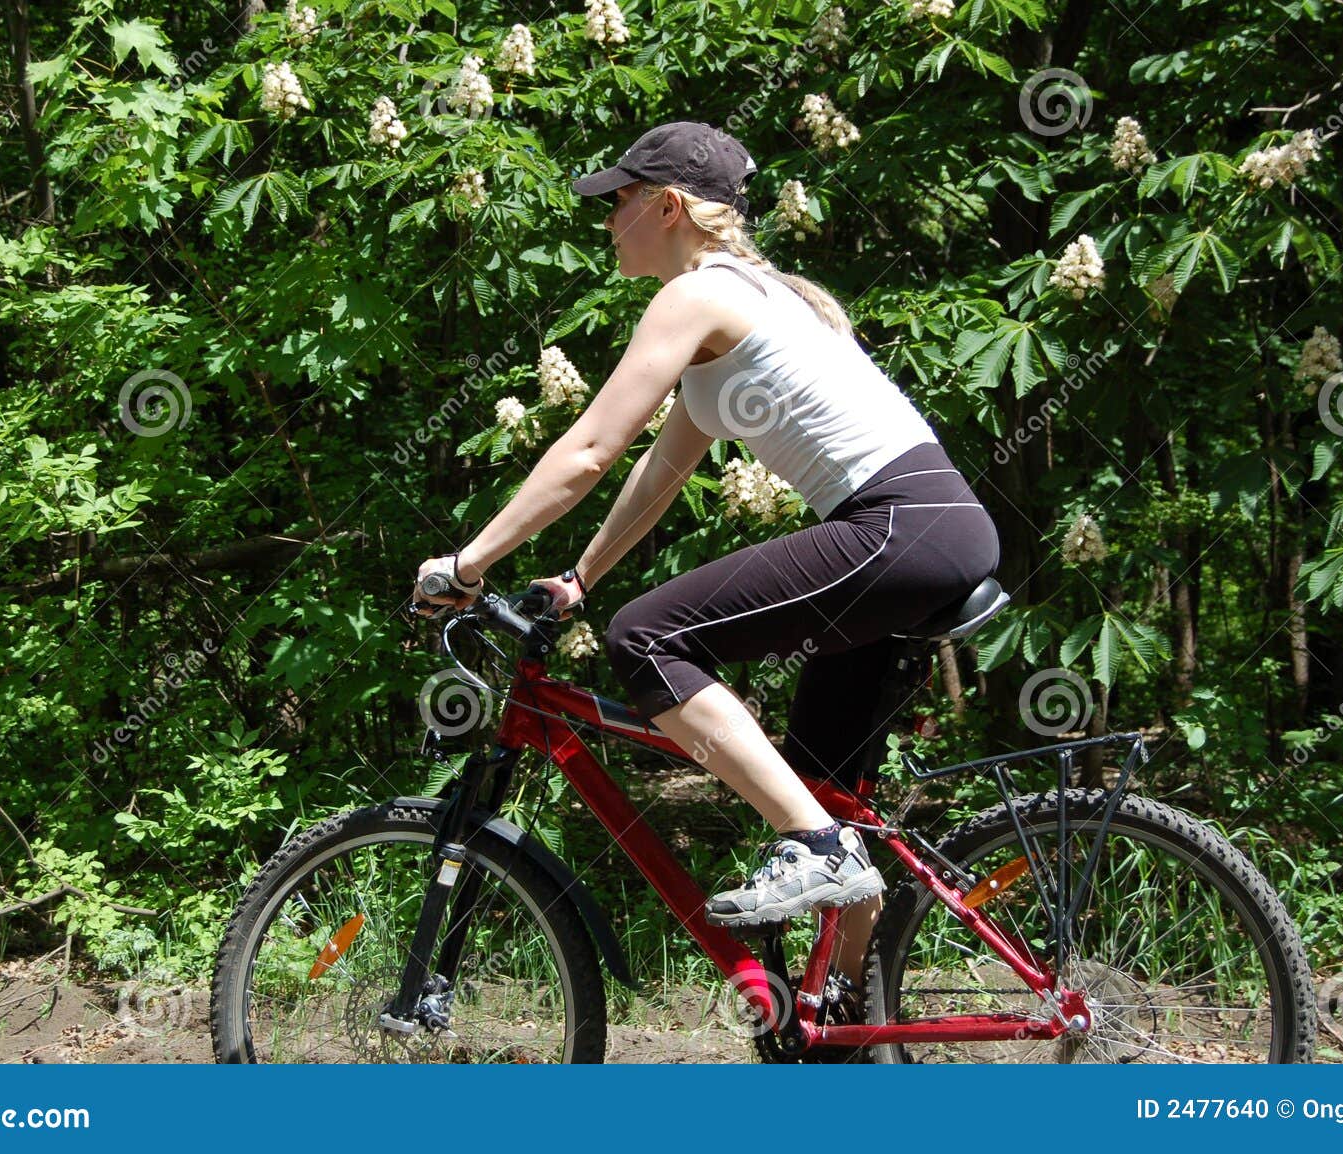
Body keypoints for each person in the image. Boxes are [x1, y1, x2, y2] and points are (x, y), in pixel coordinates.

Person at [413, 121, 999, 982]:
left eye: (618, 203)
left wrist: (467, 566)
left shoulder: (696, 298)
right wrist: (580, 577)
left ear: (668, 206)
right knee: (815, 781)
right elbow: (660, 470)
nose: (608, 222)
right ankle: (847, 1014)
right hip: (932, 526)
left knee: (646, 637)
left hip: (896, 526)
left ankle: (819, 848)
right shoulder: (747, 304)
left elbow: (586, 453)